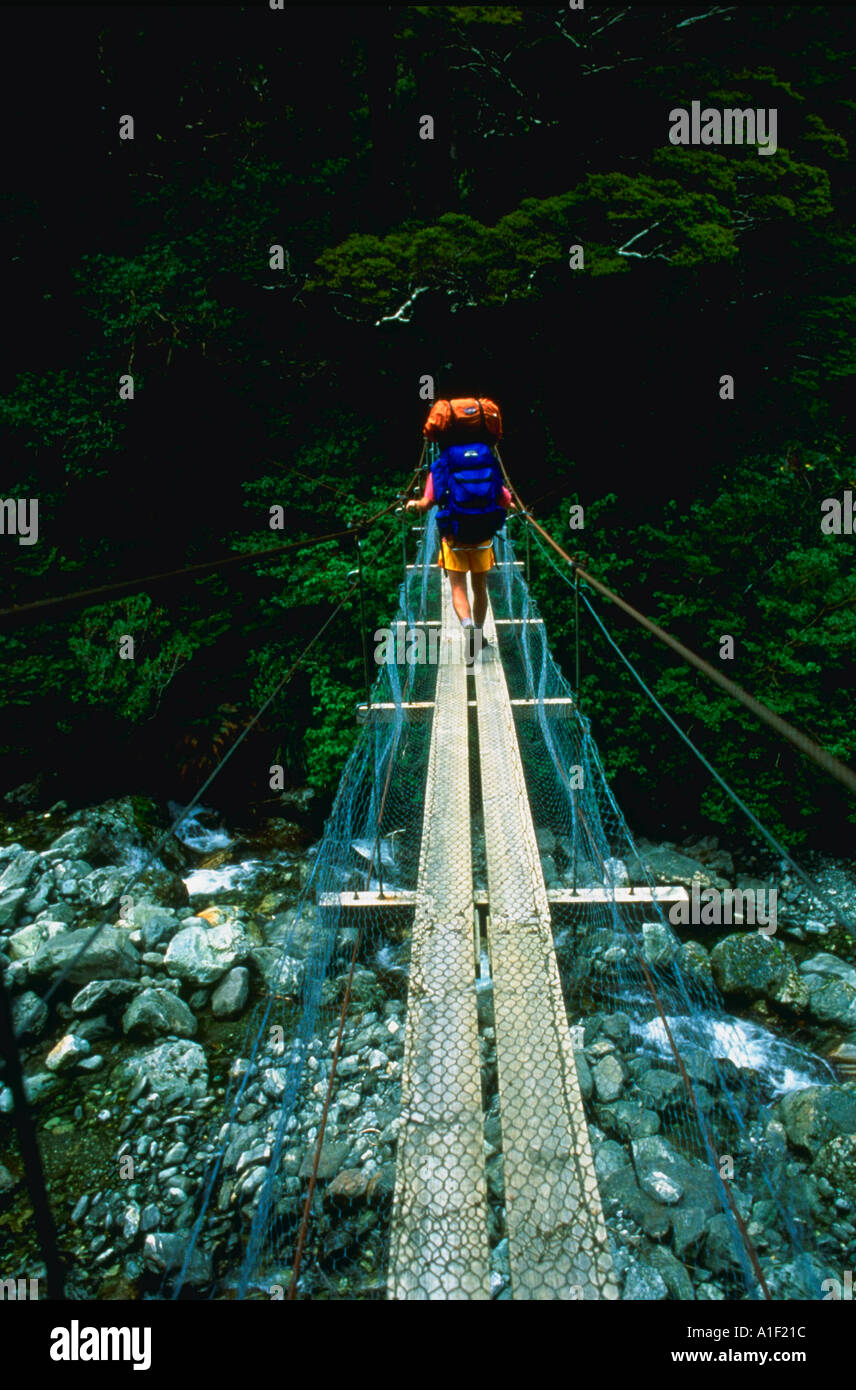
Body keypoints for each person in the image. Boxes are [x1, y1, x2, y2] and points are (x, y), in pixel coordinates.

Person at [406, 456, 516, 662]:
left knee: (458, 588)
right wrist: (516, 508)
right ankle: (479, 633)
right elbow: (504, 498)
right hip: (483, 537)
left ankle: (467, 627)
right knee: (480, 587)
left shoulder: (442, 465)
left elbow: (427, 503)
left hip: (454, 538)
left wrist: (415, 504)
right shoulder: (486, 461)